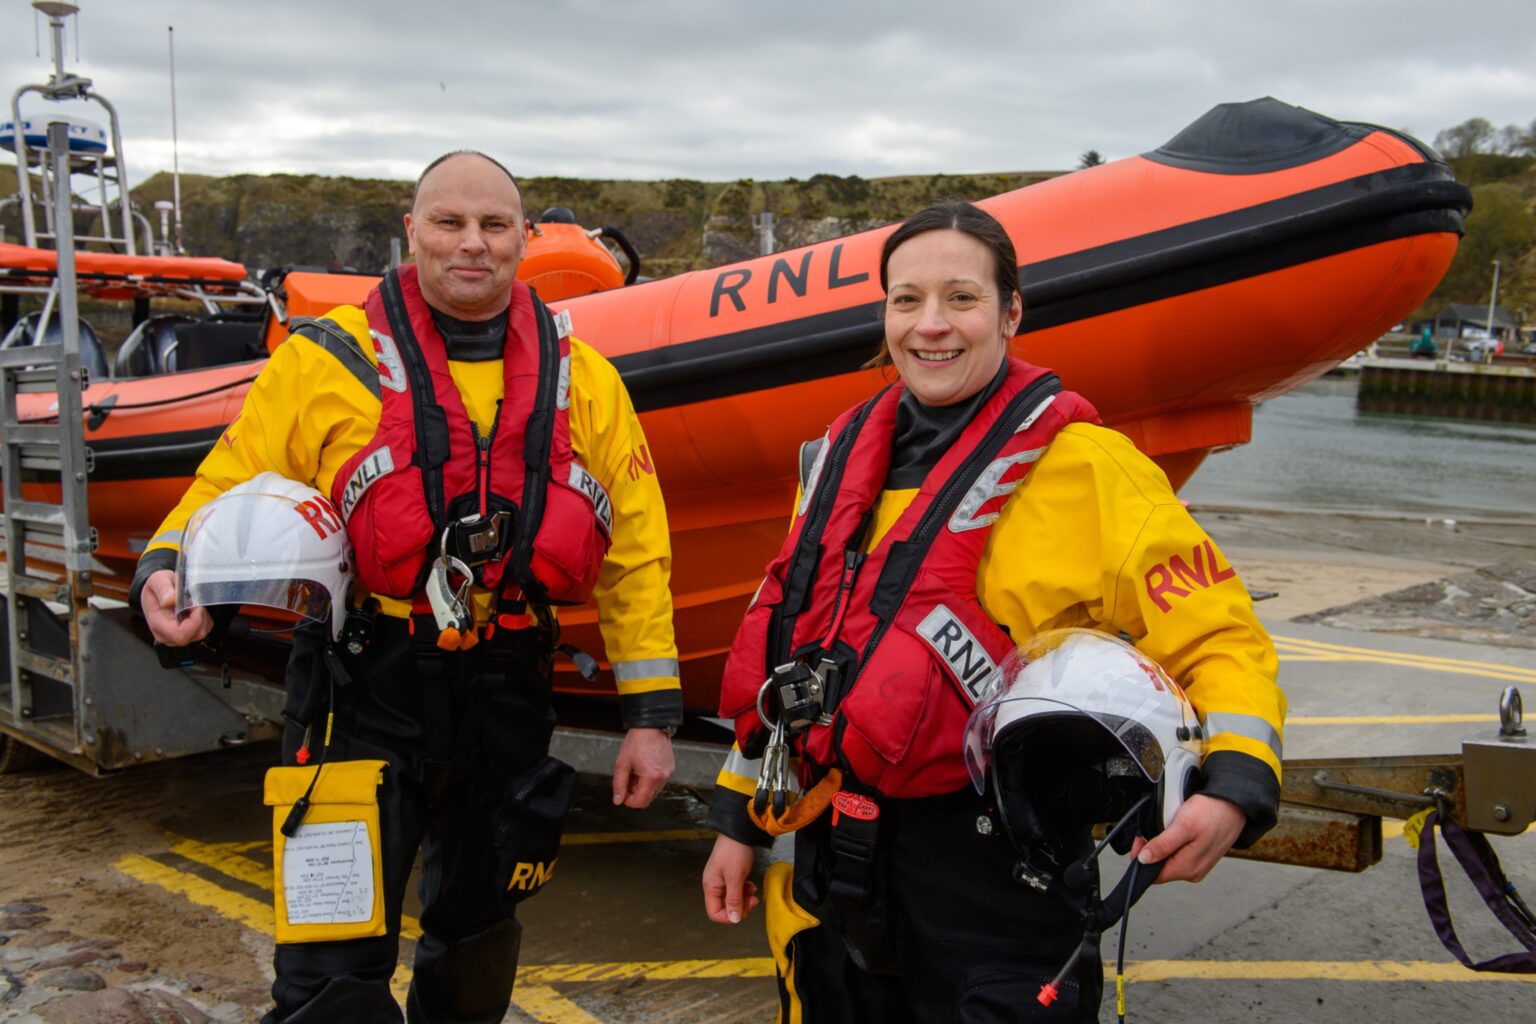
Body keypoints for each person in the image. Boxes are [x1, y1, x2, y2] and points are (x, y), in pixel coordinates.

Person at [700, 201, 1285, 1022]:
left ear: (1011, 312)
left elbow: (1220, 634)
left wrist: (1234, 784)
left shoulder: (1087, 468)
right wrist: (741, 822)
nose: (930, 325)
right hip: (837, 861)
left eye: (961, 299)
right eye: (906, 300)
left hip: (999, 871)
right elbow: (800, 663)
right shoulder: (835, 461)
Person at [132, 151, 681, 1024]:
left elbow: (636, 555)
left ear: (523, 240)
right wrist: (165, 566)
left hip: (506, 685)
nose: (473, 244)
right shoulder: (325, 365)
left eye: (495, 226)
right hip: (364, 684)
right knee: (329, 958)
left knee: (477, 932)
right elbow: (225, 482)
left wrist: (651, 721)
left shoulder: (588, 383)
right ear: (412, 232)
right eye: (449, 223)